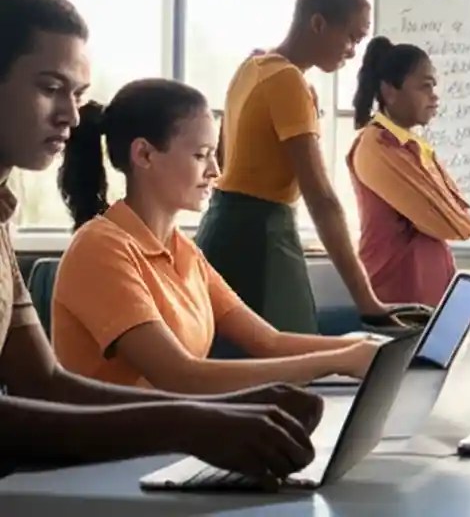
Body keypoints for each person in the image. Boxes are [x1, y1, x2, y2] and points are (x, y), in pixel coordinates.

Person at [0, 0, 320, 483]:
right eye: (49, 88)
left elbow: (43, 383)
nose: (71, 115)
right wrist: (189, 423)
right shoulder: (102, 244)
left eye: (77, 95)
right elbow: (177, 377)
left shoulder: (3, 223)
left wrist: (228, 409)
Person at [51, 78, 379, 392]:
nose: (215, 171)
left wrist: (365, 347)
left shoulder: (183, 250)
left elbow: (269, 341)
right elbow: (181, 376)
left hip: (174, 426)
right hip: (120, 433)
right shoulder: (100, 248)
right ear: (144, 155)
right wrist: (341, 360)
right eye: (200, 155)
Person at [196, 0, 411, 339]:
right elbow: (321, 198)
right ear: (318, 24)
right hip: (259, 240)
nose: (352, 51)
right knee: (294, 359)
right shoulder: (288, 81)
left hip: (220, 229)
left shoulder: (252, 66)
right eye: (351, 37)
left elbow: (223, 158)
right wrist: (368, 302)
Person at [348, 36, 470, 307]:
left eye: (434, 86)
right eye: (424, 86)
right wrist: (452, 214)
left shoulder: (411, 146)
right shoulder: (378, 146)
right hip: (397, 298)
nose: (434, 96)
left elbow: (459, 217)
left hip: (425, 298)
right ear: (389, 91)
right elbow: (451, 224)